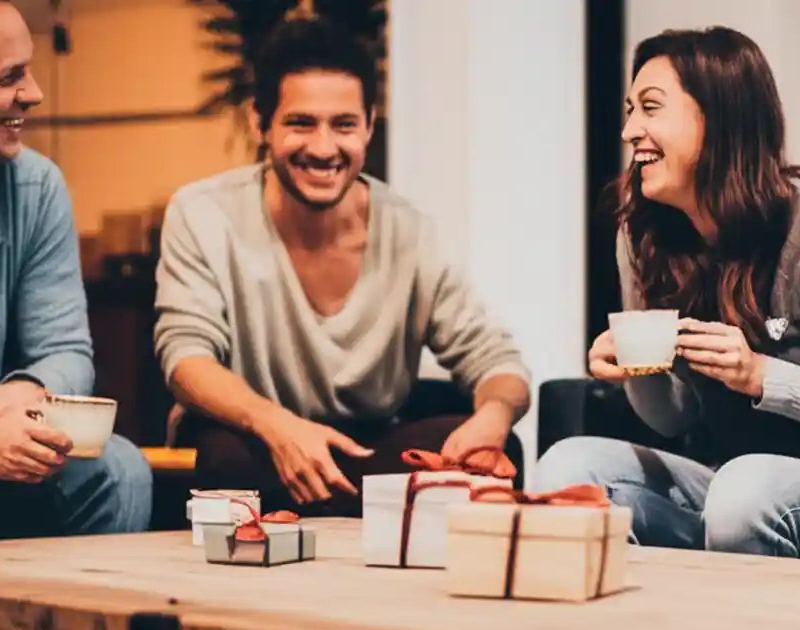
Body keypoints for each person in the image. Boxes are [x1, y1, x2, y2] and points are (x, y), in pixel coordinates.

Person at [530, 27, 800, 561]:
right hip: (727, 478)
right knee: (566, 469)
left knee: (746, 490)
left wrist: (761, 375)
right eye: (630, 110)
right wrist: (638, 369)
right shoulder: (644, 235)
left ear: (717, 120)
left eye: (651, 108)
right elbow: (670, 420)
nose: (630, 130)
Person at [154, 18, 530, 515]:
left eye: (344, 124)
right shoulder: (203, 213)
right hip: (252, 438)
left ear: (370, 126)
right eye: (301, 123)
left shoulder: (408, 230)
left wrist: (496, 414)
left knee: (495, 454)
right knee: (227, 465)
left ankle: (326, 511)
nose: (324, 147)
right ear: (259, 123)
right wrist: (276, 426)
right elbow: (185, 361)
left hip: (362, 452)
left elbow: (496, 360)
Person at [0, 0, 152, 538]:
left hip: (14, 428)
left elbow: (67, 352)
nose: (33, 93)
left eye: (29, 69)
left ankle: (85, 626)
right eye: (10, 78)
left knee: (120, 472)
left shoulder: (36, 187)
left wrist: (25, 392)